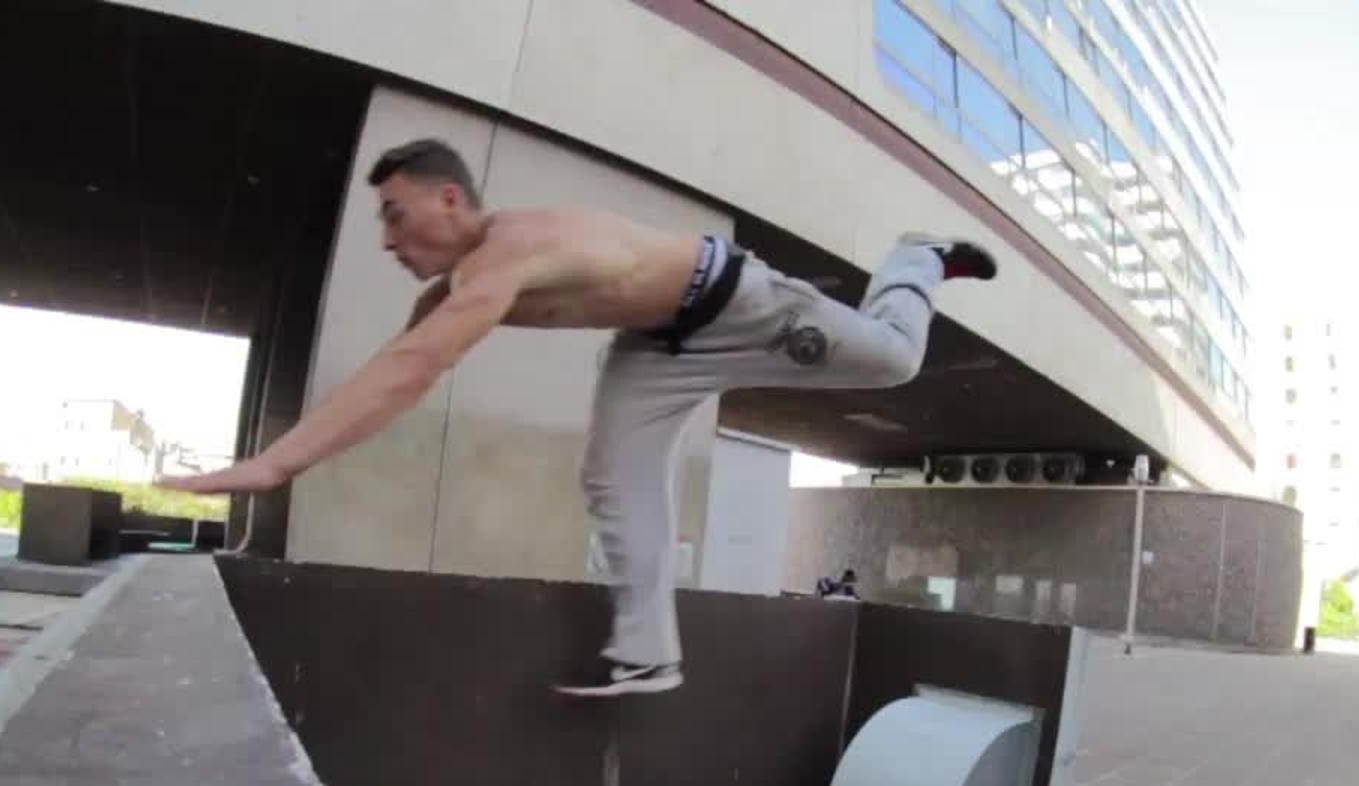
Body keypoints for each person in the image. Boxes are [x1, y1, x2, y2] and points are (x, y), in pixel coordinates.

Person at [159, 138, 996, 697]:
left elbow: (415, 371)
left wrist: (275, 466)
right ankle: (648, 653)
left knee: (894, 358)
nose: (387, 239)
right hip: (654, 346)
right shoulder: (450, 293)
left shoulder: (506, 255)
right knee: (612, 475)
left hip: (736, 301)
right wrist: (285, 454)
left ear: (449, 200)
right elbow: (393, 368)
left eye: (396, 215)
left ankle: (915, 258)